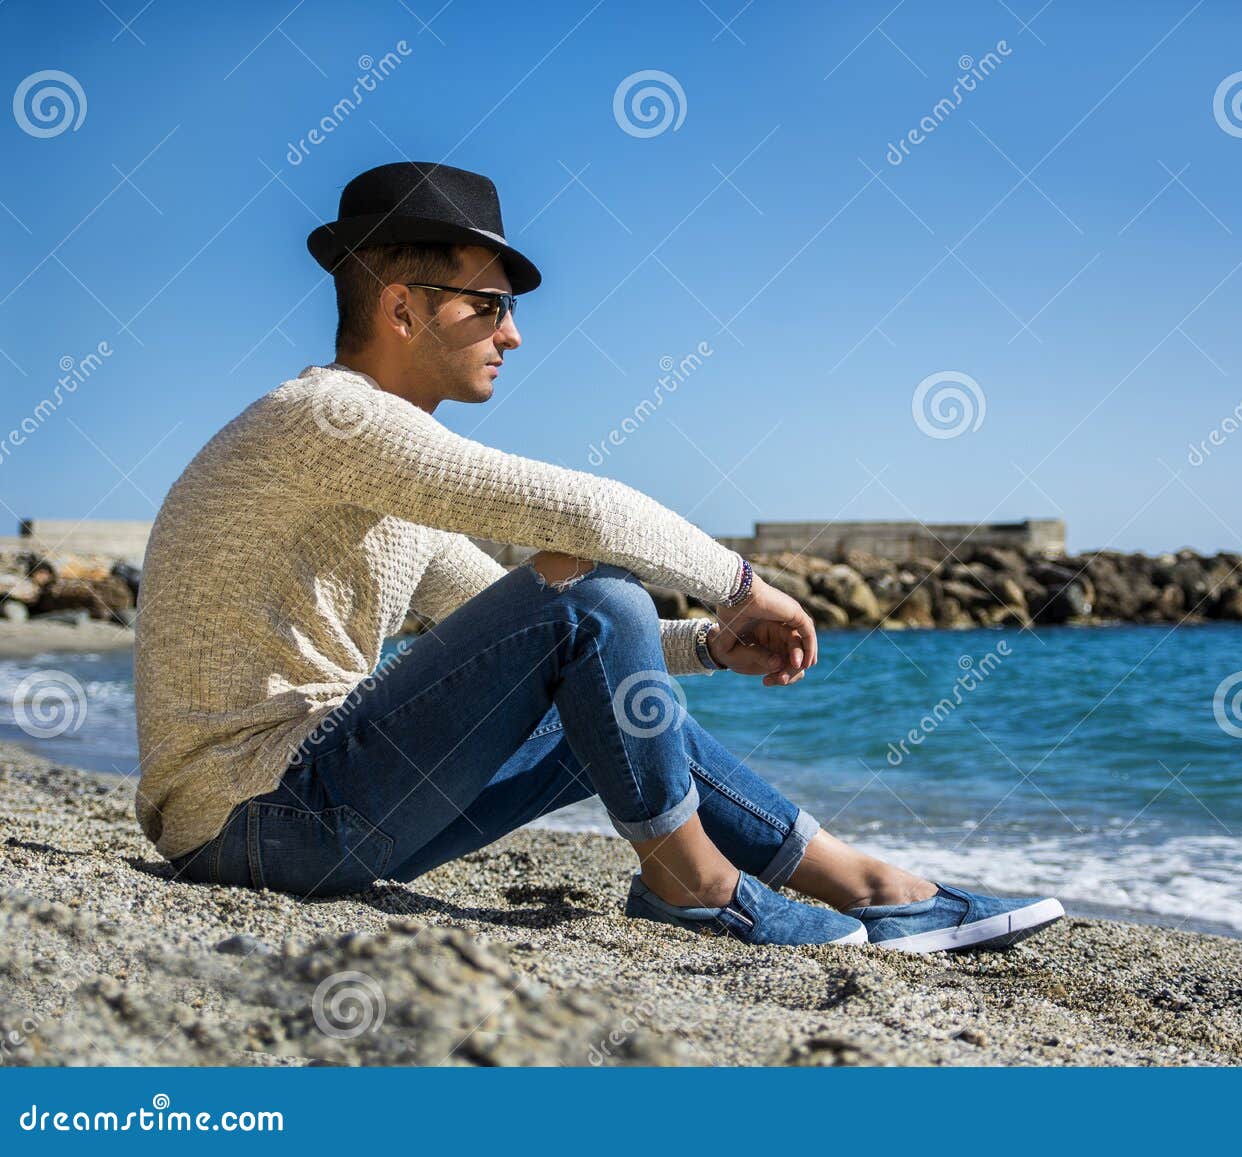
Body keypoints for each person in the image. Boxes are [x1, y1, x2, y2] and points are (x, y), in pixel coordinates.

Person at [132, 161, 1064, 952]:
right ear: (403, 309)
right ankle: (691, 883)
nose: (514, 332)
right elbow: (579, 519)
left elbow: (526, 624)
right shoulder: (329, 417)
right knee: (590, 582)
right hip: (260, 818)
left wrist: (703, 642)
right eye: (489, 304)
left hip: (293, 823)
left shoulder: (372, 463)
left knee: (600, 692)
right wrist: (743, 585)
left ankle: (867, 885)